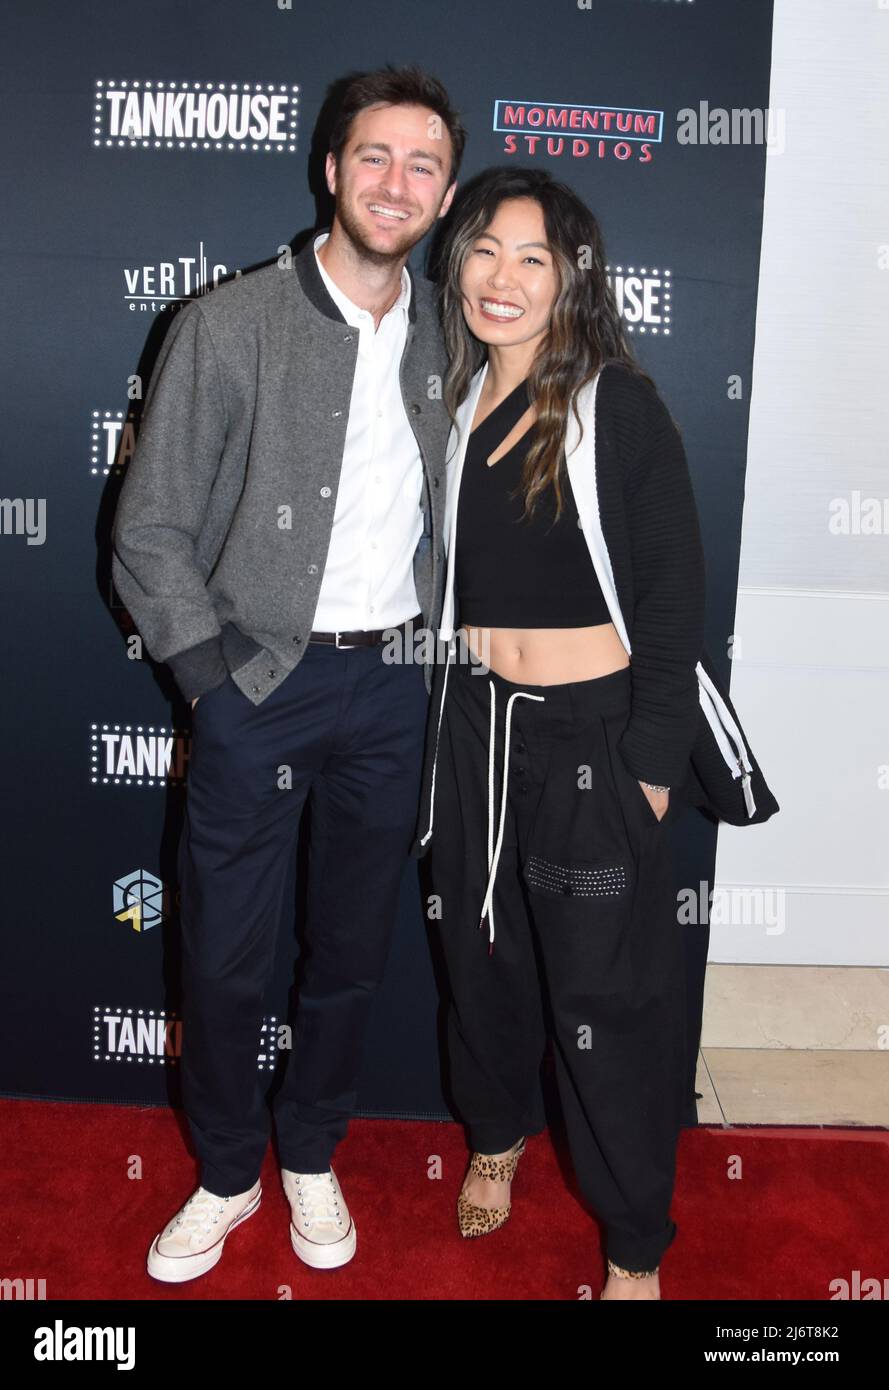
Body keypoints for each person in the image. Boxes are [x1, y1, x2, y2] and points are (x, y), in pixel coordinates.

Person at [111, 65, 464, 1283]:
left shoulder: (459, 334)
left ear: (444, 190)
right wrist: (208, 679)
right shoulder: (229, 321)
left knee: (352, 946)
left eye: (422, 164)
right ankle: (224, 1171)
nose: (395, 182)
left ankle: (308, 1152)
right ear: (330, 168)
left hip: (391, 692)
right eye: (375, 156)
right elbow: (147, 526)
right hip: (256, 683)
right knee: (218, 952)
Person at [411, 166, 707, 1300]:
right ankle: (496, 1132)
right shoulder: (450, 402)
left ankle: (633, 1241)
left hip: (593, 738)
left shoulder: (614, 402)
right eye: (483, 249)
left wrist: (643, 763)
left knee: (605, 998)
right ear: (457, 263)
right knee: (480, 967)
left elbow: (674, 592)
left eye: (531, 257)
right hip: (474, 726)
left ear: (570, 277)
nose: (501, 276)